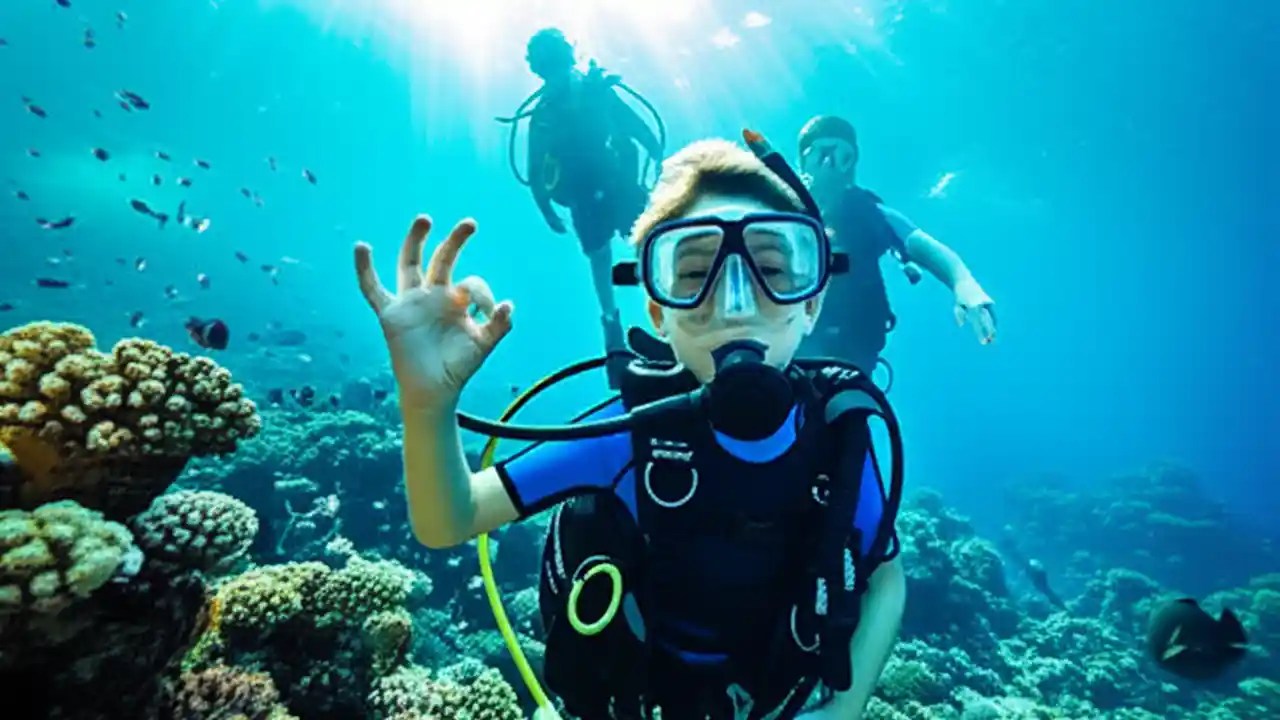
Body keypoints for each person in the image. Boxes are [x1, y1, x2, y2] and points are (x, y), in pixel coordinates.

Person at [353, 130, 906, 720]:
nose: (738, 303)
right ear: (658, 313)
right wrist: (427, 404)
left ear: (812, 302)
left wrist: (843, 709)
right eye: (693, 274)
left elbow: (886, 578)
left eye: (772, 266)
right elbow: (449, 519)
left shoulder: (840, 437)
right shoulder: (625, 435)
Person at [499, 27, 665, 389]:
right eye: (549, 68)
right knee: (607, 257)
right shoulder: (547, 113)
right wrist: (546, 209)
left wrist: (654, 151)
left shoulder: (594, 92)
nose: (555, 75)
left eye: (555, 65)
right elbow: (535, 171)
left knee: (641, 247)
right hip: (586, 194)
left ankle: (658, 314)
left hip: (613, 184)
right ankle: (616, 330)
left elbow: (638, 130)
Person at [795, 114, 997, 382]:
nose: (830, 165)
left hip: (853, 350)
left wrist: (964, 285)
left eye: (842, 155)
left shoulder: (870, 213)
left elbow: (924, 246)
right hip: (788, 341)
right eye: (820, 154)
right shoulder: (778, 212)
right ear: (802, 161)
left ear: (852, 163)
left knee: (846, 414)